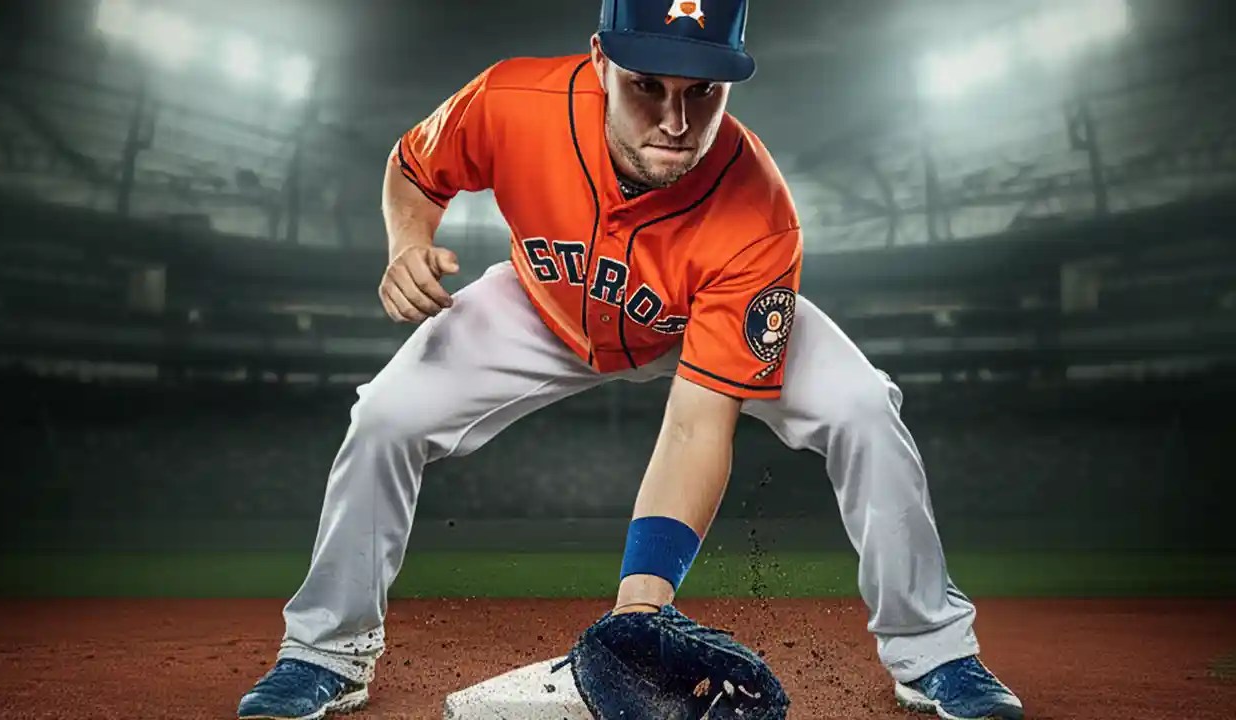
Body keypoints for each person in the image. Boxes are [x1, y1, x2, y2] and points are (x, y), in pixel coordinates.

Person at [237, 1, 1025, 719]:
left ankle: (933, 651)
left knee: (863, 407)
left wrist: (641, 606)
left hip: (695, 321)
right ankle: (327, 651)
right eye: (648, 85)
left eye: (704, 91)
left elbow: (694, 427)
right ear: (600, 60)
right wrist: (408, 242)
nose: (677, 121)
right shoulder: (514, 100)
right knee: (385, 415)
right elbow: (415, 167)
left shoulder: (759, 213)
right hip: (541, 303)